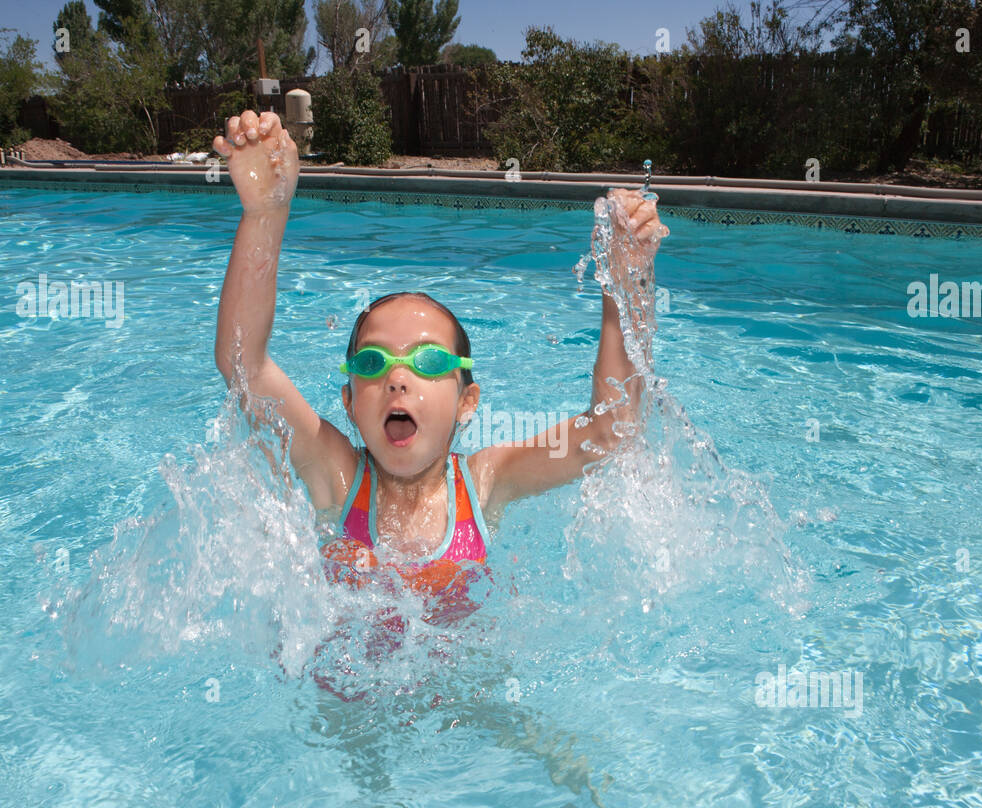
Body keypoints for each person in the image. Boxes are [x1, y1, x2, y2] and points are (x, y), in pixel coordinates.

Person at [212, 110, 669, 621]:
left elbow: (611, 432)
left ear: (466, 402)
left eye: (428, 360)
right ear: (349, 403)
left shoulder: (488, 481)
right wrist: (265, 214)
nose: (397, 378)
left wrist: (625, 288)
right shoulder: (337, 476)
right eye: (372, 362)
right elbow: (243, 366)